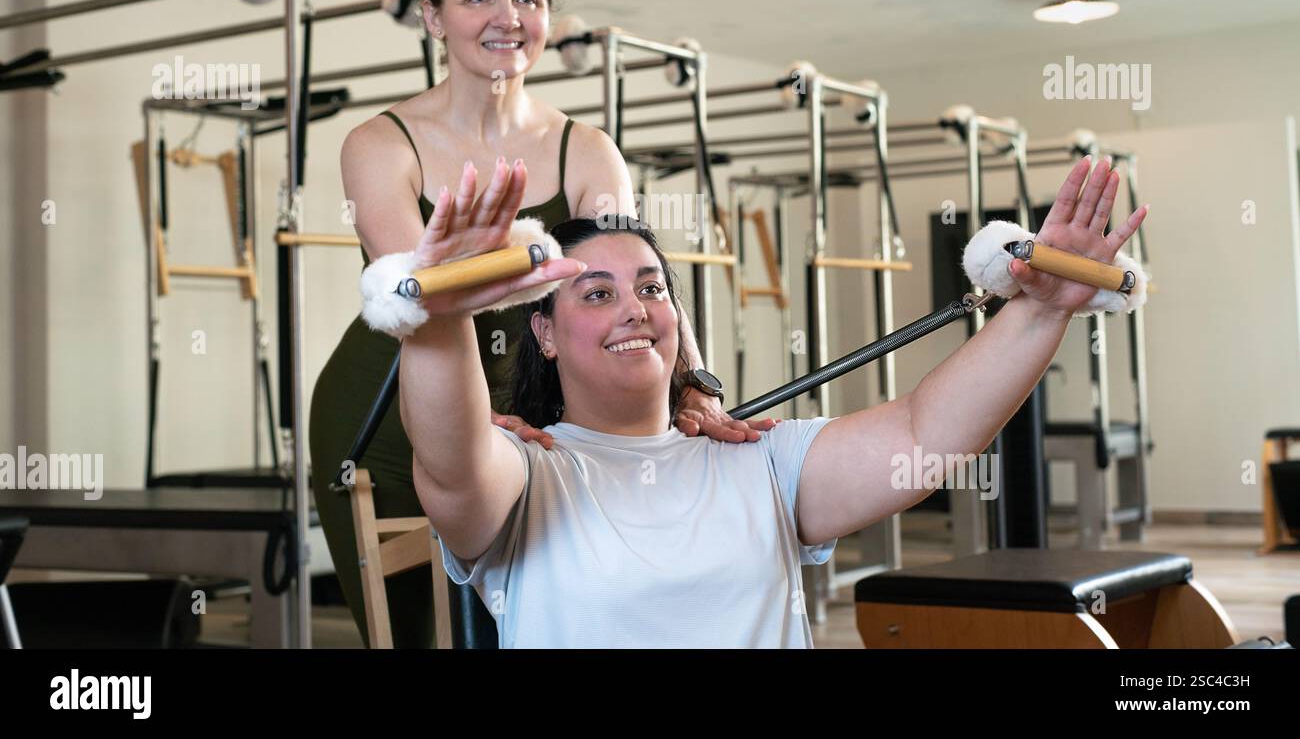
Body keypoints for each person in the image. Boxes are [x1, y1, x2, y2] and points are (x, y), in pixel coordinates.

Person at [398, 153, 1147, 647]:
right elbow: (452, 459)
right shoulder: (529, 474)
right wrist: (441, 306)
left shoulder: (759, 457)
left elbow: (926, 435)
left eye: (653, 288)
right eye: (597, 293)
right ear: (546, 332)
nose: (636, 308)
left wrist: (1041, 310)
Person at [308, 0, 759, 648]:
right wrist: (471, 423)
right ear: (432, 15)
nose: (507, 18)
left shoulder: (587, 150)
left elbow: (637, 281)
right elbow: (420, 303)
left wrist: (695, 384)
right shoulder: (378, 145)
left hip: (534, 417)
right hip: (389, 417)